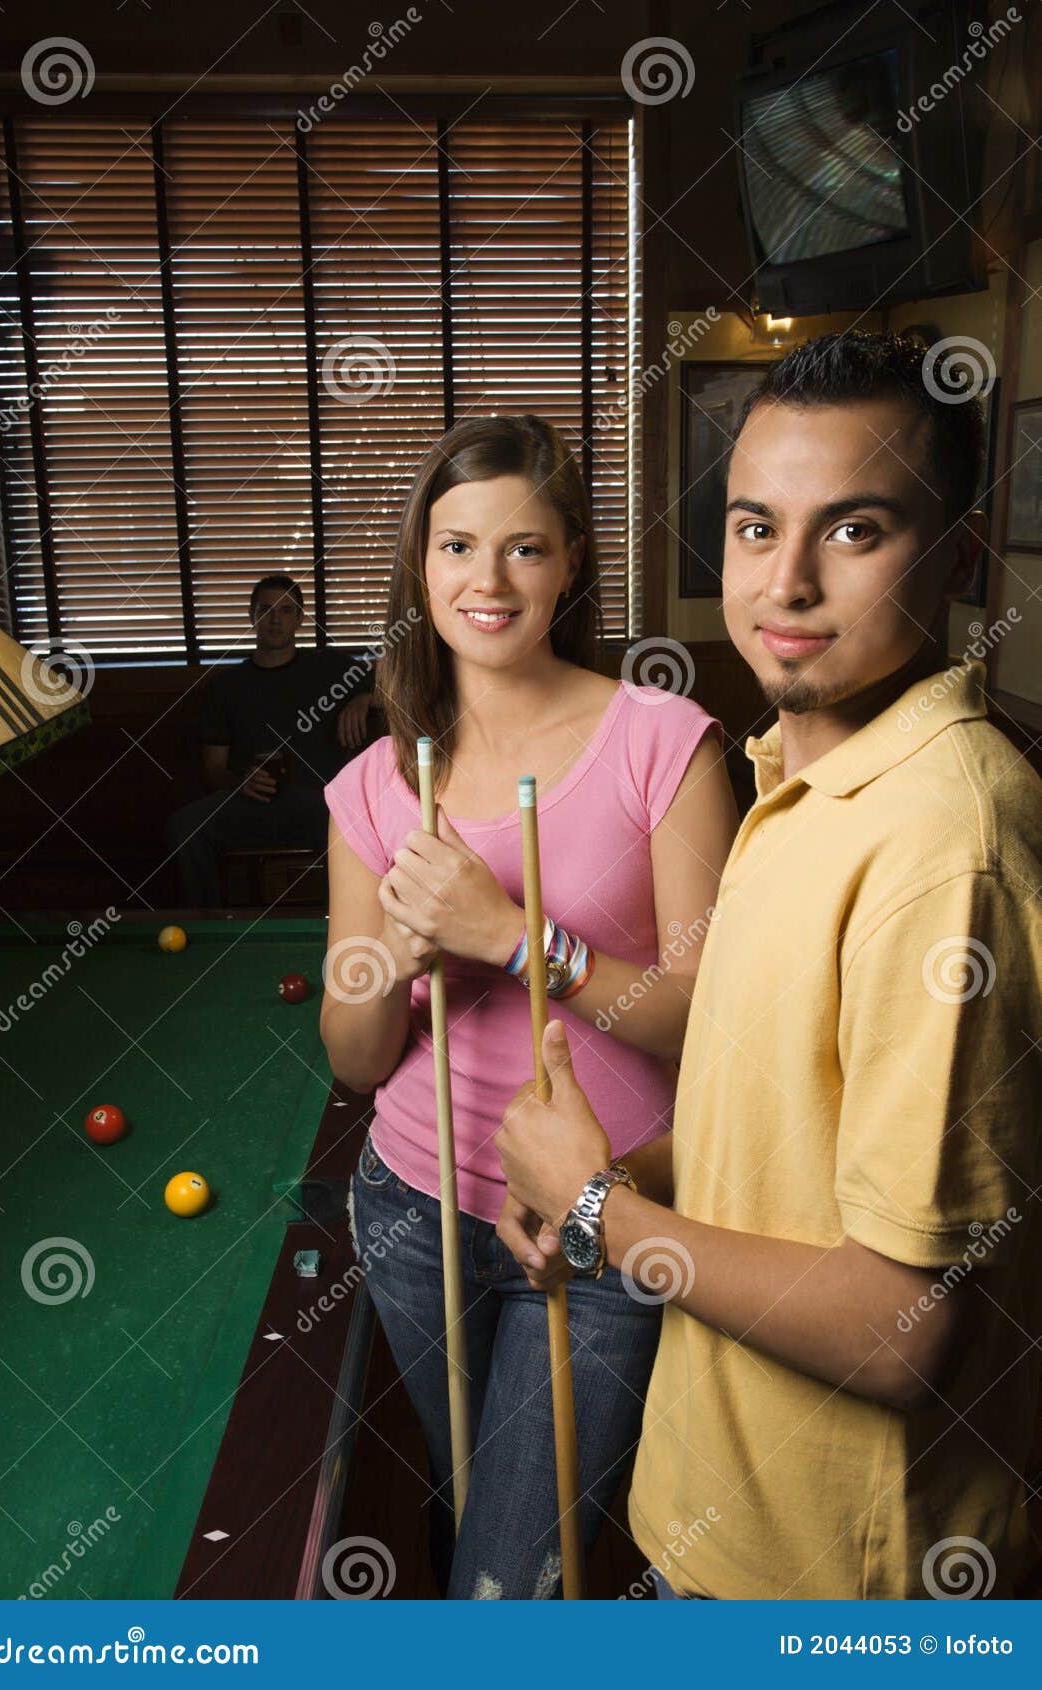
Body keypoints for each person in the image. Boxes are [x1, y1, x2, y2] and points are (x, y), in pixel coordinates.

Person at [496, 331, 1042, 1600]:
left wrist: (598, 1212)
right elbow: (789, 1136)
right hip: (720, 1523)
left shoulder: (940, 841)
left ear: (956, 557)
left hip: (834, 1586)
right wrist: (615, 1175)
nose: (784, 582)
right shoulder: (785, 780)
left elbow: (901, 1329)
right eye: (754, 527)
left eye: (853, 532)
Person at [321, 413, 739, 1599]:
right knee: (481, 1525)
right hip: (410, 1206)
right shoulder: (373, 782)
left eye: (523, 548)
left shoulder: (663, 739)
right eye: (455, 547)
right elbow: (355, 1059)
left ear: (570, 565)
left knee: (512, 1581)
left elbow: (706, 1012)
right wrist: (400, 951)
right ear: (419, 566)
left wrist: (510, 937)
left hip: (603, 1214)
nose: (486, 580)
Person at [166, 574, 374, 906]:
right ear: (252, 617)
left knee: (356, 822)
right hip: (250, 805)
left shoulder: (330, 668)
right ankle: (209, 929)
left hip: (320, 804)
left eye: (286, 610)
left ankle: (346, 927)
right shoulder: (226, 686)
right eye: (265, 610)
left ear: (300, 620)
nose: (275, 619)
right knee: (185, 826)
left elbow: (395, 682)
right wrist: (239, 781)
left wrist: (365, 699)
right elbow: (213, 769)